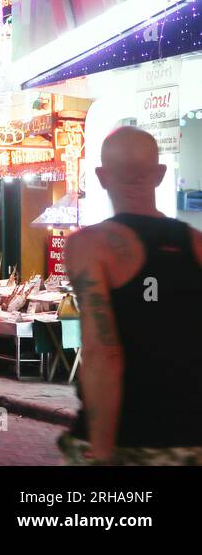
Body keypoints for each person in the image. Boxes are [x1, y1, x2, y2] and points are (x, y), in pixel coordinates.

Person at [61, 126, 202, 465]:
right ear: (160, 175)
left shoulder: (89, 246)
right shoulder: (196, 243)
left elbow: (102, 352)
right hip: (191, 439)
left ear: (101, 176)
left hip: (128, 436)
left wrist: (104, 447)